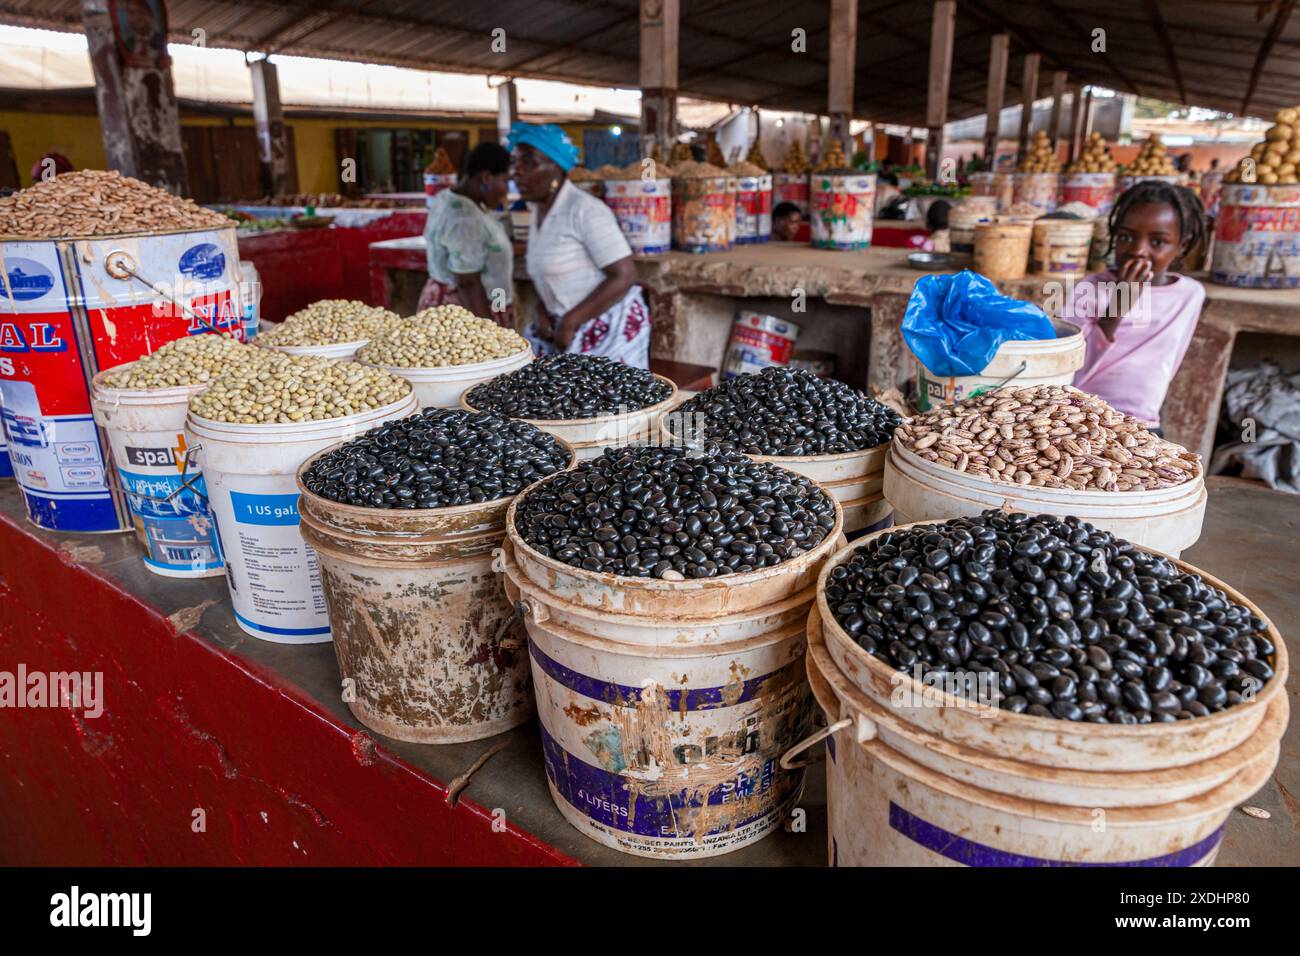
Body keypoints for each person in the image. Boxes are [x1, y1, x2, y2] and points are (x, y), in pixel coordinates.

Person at [1059, 182, 1207, 435]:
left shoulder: (1190, 295)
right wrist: (1119, 305)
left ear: (1182, 245)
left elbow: (1167, 364)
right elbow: (1070, 369)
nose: (1138, 251)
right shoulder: (1090, 289)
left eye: (1158, 242)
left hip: (1143, 423)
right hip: (1079, 420)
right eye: (1126, 238)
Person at [508, 122, 650, 367]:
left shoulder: (585, 210)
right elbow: (554, 274)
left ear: (556, 169)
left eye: (529, 163)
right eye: (515, 162)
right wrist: (542, 308)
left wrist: (571, 321)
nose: (516, 171)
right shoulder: (539, 211)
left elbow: (624, 275)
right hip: (563, 326)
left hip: (607, 328)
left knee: (611, 403)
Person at [417, 142, 514, 326]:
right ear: (486, 177)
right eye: (505, 181)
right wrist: (490, 333)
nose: (506, 190)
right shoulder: (465, 217)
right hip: (466, 313)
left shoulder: (447, 197)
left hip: (486, 302)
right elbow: (468, 283)